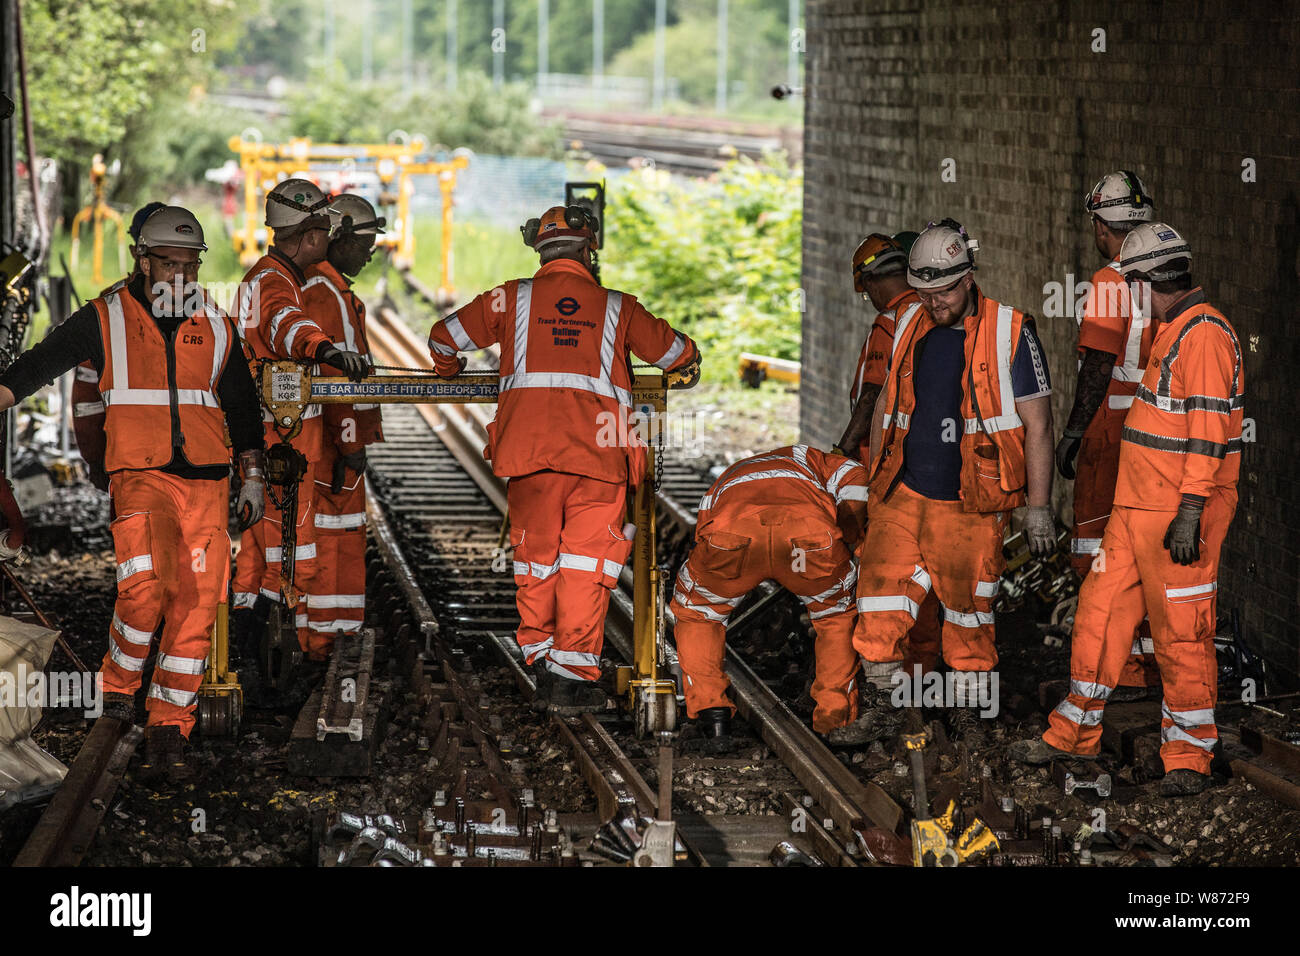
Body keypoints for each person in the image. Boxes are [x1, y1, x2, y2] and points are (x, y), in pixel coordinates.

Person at [0, 206, 265, 779]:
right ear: (142, 261)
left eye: (191, 266)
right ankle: (119, 691)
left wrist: (252, 474)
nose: (181, 276)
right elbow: (40, 365)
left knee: (198, 601)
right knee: (148, 586)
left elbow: (243, 407)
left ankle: (171, 724)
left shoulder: (217, 325)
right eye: (169, 264)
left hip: (208, 481)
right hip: (141, 475)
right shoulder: (104, 318)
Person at [426, 205, 700, 714]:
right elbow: (680, 356)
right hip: (600, 456)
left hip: (530, 454)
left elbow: (443, 338)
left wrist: (449, 369)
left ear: (538, 250)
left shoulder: (510, 299)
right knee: (586, 563)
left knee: (537, 558)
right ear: (589, 250)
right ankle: (568, 678)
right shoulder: (618, 307)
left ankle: (539, 655)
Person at [1012, 224, 1243, 797]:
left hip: (1177, 517)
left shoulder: (1206, 335)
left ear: (1146, 282)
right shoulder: (1176, 330)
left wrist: (1191, 510)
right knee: (1098, 612)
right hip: (1136, 510)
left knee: (1181, 635)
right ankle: (1074, 732)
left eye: (1130, 284)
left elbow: (1209, 435)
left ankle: (1189, 757)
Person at [844, 218, 1056, 746]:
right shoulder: (909, 323)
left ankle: (966, 718)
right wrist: (872, 485)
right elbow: (885, 405)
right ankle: (884, 709)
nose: (934, 304)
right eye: (924, 292)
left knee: (968, 614)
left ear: (967, 278)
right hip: (903, 492)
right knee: (878, 603)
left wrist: (1038, 507)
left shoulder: (1012, 331)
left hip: (970, 501)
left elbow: (1039, 423)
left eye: (943, 292)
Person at [231, 178, 369, 693]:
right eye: (325, 231)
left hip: (269, 440)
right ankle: (264, 664)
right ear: (309, 236)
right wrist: (327, 351)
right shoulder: (274, 284)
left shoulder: (265, 277)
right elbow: (286, 325)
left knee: (262, 555)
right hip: (286, 445)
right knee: (294, 555)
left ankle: (245, 657)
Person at [671, 445, 866, 748]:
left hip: (735, 536)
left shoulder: (734, 474)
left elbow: (704, 529)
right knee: (835, 617)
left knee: (699, 613)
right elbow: (858, 483)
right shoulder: (822, 462)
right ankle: (834, 718)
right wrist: (848, 544)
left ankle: (713, 716)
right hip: (808, 540)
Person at [1057, 171, 1161, 698]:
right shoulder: (1167, 276)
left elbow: (1097, 366)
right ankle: (1146, 664)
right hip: (1159, 440)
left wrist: (1074, 431)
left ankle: (1114, 670)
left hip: (1110, 435)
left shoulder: (1108, 282)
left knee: (1096, 550)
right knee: (1147, 551)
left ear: (1103, 226)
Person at [835, 230, 942, 689]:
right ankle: (925, 670)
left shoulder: (892, 322)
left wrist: (841, 451)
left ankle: (886, 674)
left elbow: (873, 395)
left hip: (885, 467)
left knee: (881, 567)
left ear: (873, 281)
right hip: (924, 466)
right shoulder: (931, 315)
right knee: (929, 568)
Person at [300, 194, 385, 658]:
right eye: (366, 241)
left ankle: (328, 634)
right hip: (333, 447)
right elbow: (336, 379)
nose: (371, 251)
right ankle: (326, 639)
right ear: (339, 237)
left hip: (331, 440)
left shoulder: (328, 289)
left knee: (335, 535)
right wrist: (350, 442)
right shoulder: (324, 294)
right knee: (335, 537)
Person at [71, 200, 167, 492]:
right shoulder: (107, 309)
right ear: (135, 253)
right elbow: (87, 394)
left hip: (187, 464)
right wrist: (95, 458)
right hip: (130, 464)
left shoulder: (203, 311)